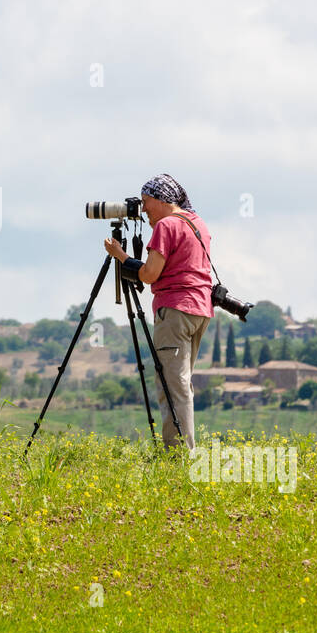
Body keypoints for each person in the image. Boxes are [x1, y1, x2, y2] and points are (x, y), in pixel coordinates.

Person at [103, 174, 212, 449]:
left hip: (174, 310)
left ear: (161, 199)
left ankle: (178, 457)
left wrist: (122, 257)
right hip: (199, 310)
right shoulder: (197, 222)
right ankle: (183, 451)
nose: (143, 209)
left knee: (172, 388)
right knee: (182, 384)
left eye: (146, 202)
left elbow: (150, 274)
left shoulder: (167, 225)